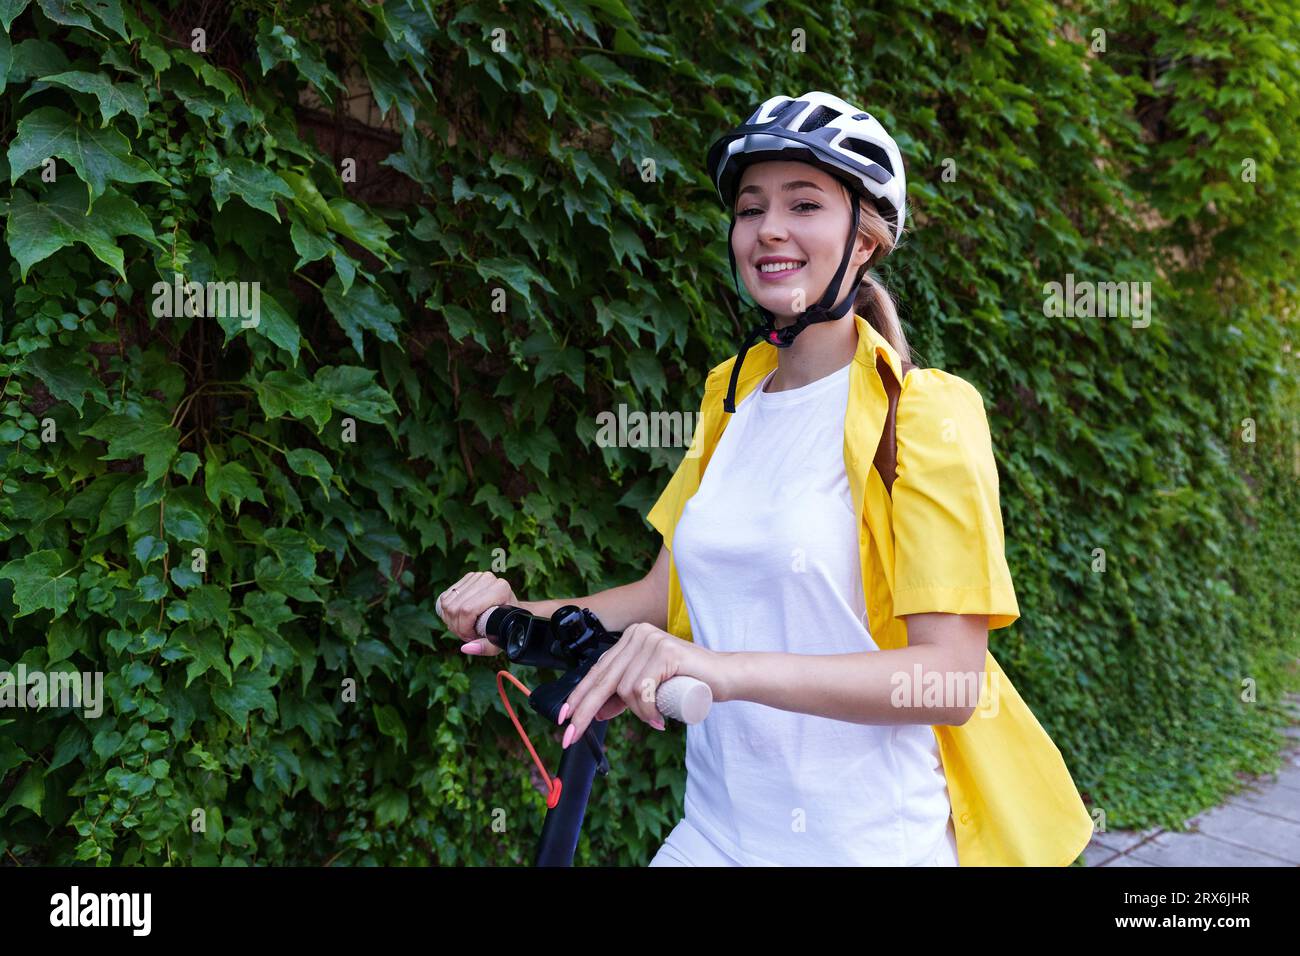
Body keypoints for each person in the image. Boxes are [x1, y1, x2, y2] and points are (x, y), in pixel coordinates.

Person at [440, 92, 1089, 867]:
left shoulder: (925, 414)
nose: (770, 228)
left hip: (867, 845)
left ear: (865, 241)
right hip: (715, 832)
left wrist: (720, 670)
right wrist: (518, 612)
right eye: (751, 209)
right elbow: (663, 599)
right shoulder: (729, 398)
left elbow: (949, 680)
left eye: (805, 203)